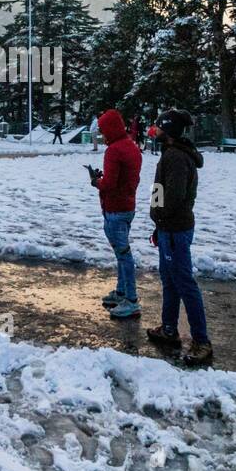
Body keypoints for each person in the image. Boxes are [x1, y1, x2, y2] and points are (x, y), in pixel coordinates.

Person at [145, 109, 212, 366]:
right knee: (170, 280)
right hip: (168, 228)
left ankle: (201, 340)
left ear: (169, 131)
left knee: (184, 282)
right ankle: (169, 328)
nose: (155, 131)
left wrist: (161, 219)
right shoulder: (171, 155)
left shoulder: (175, 158)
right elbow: (162, 193)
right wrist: (159, 224)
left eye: (159, 127)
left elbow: (172, 196)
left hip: (174, 229)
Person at [94, 110, 142, 320]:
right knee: (122, 254)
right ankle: (121, 292)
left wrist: (97, 182)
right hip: (128, 206)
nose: (102, 135)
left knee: (123, 255)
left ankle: (131, 300)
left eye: (103, 131)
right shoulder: (131, 146)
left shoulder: (113, 151)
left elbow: (110, 184)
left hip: (115, 209)